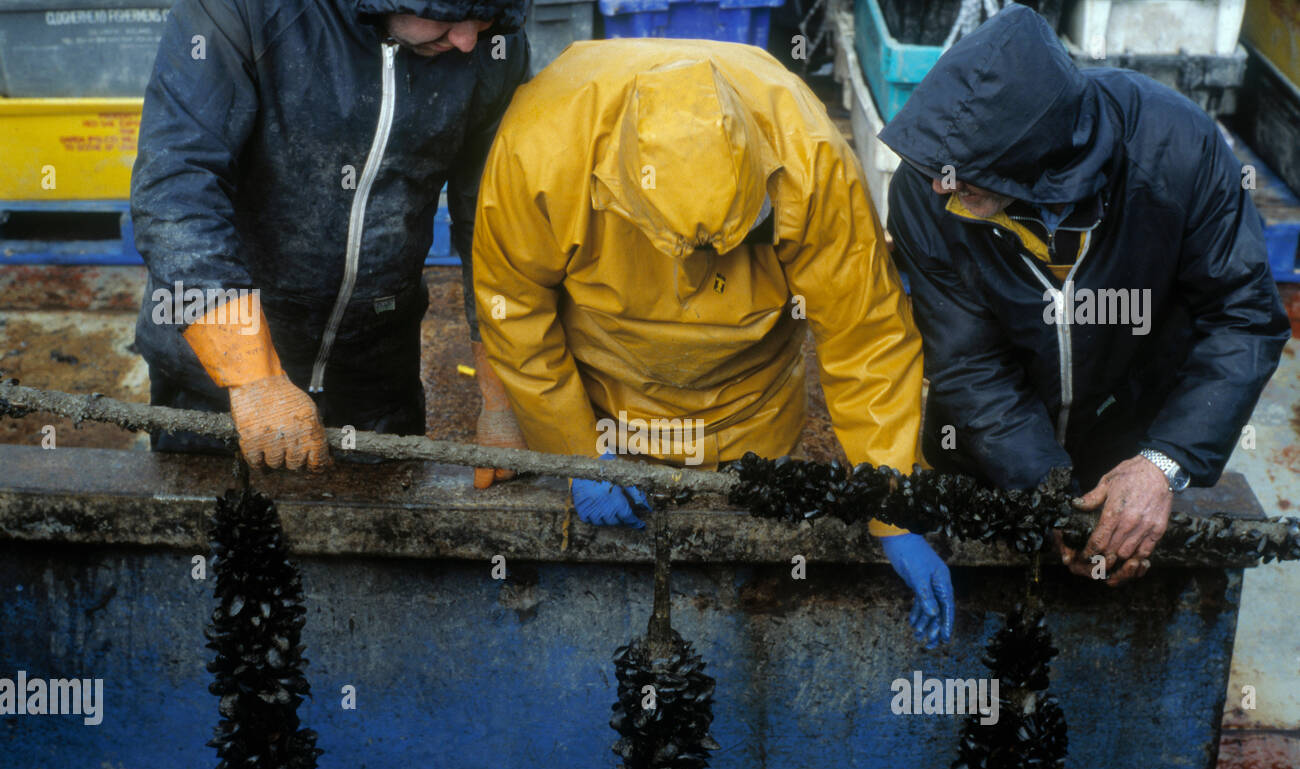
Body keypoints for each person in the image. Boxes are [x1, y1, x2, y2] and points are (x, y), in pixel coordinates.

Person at [472, 38, 954, 647]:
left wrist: (893, 507)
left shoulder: (814, 159)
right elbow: (514, 313)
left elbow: (867, 337)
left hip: (751, 407)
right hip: (606, 408)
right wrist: (574, 453)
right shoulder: (538, 148)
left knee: (745, 599)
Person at [880, 3, 1290, 586]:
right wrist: (1047, 494)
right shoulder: (928, 192)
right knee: (988, 610)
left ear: (1039, 161)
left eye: (968, 178)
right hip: (996, 449)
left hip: (1133, 429)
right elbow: (971, 364)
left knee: (1125, 593)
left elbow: (1243, 318)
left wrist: (1162, 464)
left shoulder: (1177, 151)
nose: (943, 187)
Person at [130, 0, 529, 481]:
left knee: (377, 548)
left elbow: (495, 216)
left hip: (376, 375)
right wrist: (253, 379)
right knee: (226, 544)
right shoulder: (240, 12)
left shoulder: (494, 41)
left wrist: (504, 397)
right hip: (216, 382)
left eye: (484, 21)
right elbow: (176, 189)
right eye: (446, 17)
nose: (467, 40)